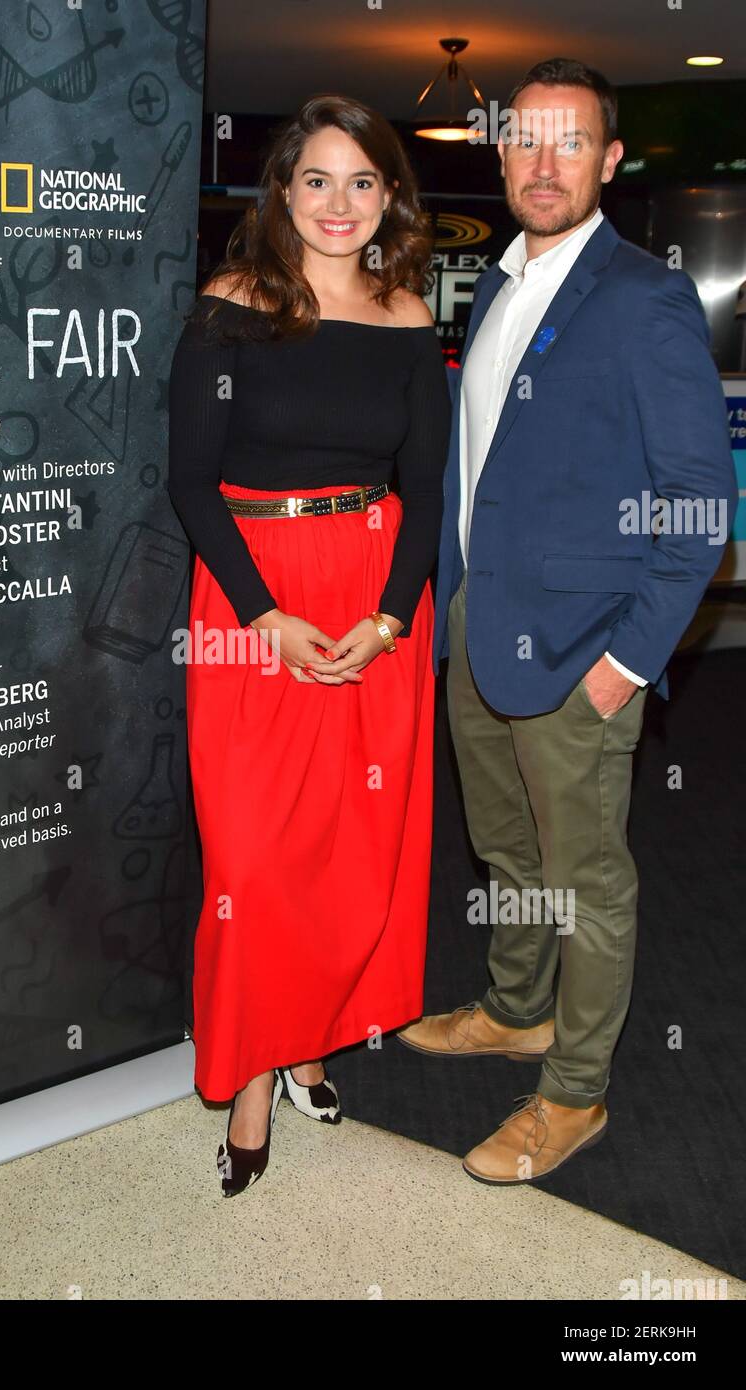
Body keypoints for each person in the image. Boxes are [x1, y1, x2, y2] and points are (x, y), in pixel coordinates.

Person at [398, 58, 738, 1183]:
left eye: (568, 143)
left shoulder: (643, 296)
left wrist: (625, 662)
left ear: (606, 160)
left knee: (586, 880)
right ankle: (513, 1007)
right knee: (502, 849)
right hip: (477, 632)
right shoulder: (495, 283)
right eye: (524, 142)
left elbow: (696, 510)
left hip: (581, 653)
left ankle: (574, 1092)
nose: (543, 164)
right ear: (499, 156)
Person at [167, 93, 450, 1196]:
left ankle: (311, 1040)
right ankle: (246, 1072)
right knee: (250, 855)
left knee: (347, 849)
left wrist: (386, 617)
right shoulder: (231, 306)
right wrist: (262, 614)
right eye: (317, 180)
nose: (339, 203)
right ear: (281, 191)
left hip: (374, 601)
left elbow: (422, 492)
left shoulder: (402, 315)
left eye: (362, 182)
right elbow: (188, 480)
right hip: (249, 602)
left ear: (389, 198)